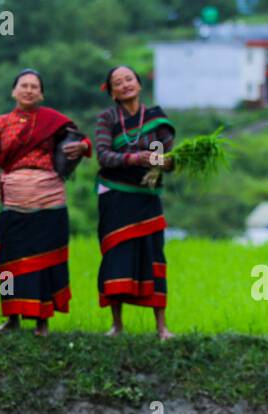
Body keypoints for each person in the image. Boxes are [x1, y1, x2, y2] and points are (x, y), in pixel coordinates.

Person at [0, 69, 90, 336]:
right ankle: (11, 317)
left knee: (44, 262)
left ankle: (42, 322)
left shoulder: (53, 121)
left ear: (41, 93)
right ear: (14, 91)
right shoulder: (1, 123)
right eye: (24, 85)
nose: (29, 90)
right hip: (14, 203)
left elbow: (82, 141)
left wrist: (83, 148)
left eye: (35, 86)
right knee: (8, 263)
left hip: (49, 202)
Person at [93, 65, 175, 339]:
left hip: (146, 198)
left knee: (153, 255)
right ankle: (117, 325)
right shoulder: (107, 119)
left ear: (139, 85)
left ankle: (161, 327)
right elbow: (104, 156)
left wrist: (162, 162)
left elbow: (165, 157)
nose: (125, 84)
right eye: (118, 82)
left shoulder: (154, 119)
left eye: (129, 79)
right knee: (116, 255)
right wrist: (134, 158)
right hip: (115, 196)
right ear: (112, 92)